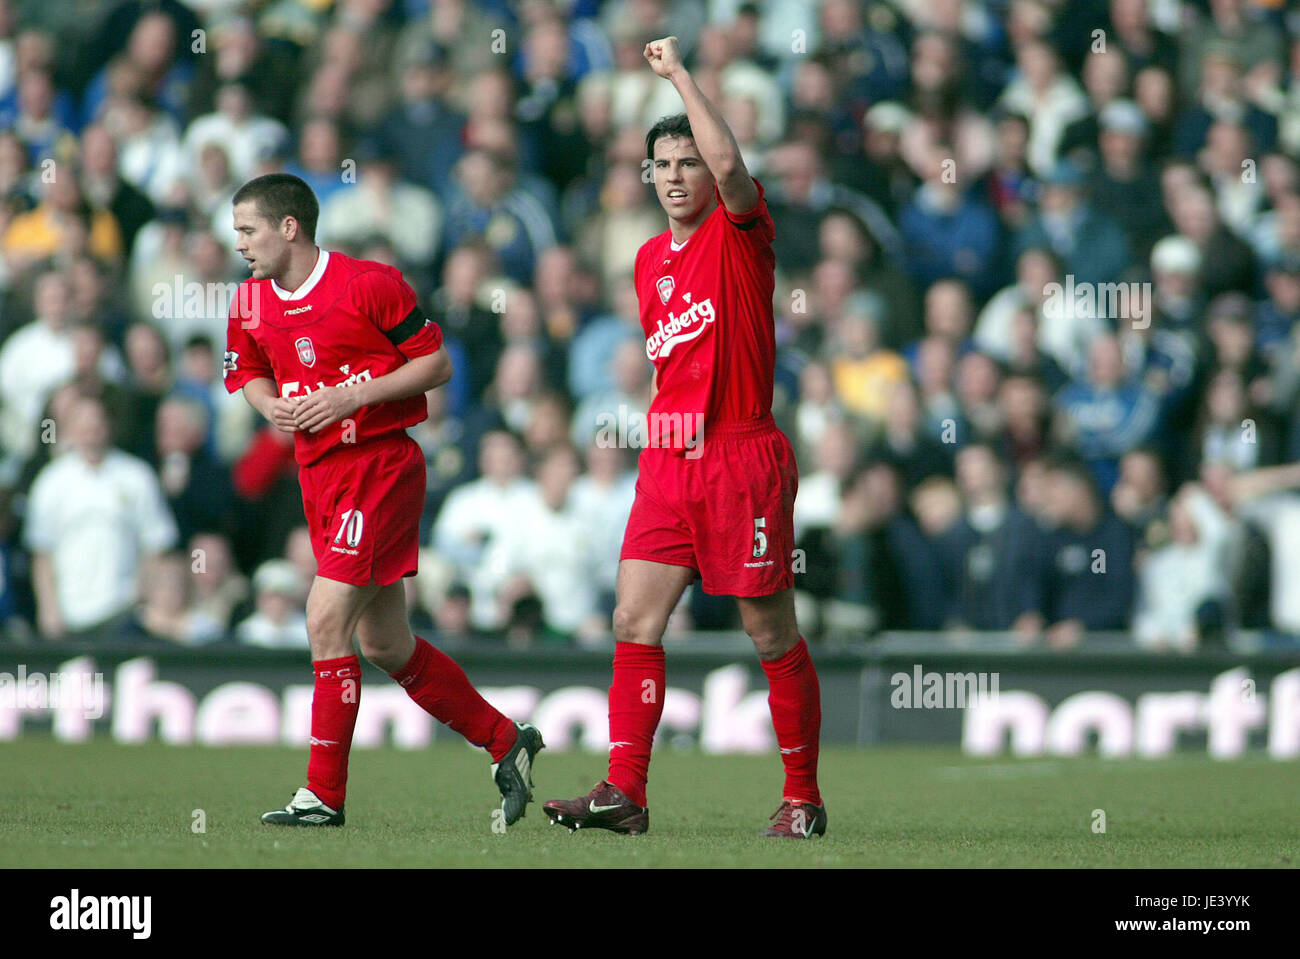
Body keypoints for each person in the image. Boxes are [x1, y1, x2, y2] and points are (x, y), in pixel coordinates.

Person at [542, 37, 825, 839]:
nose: (673, 175)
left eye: (686, 162)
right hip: (669, 457)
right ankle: (623, 791)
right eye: (660, 164)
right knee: (633, 620)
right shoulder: (643, 262)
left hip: (742, 457)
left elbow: (735, 171)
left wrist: (677, 75)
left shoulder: (740, 233)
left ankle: (802, 796)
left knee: (769, 630)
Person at [222, 172, 542, 828]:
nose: (241, 245)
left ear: (290, 227)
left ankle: (322, 795)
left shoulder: (369, 283)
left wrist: (349, 396)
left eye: (249, 230)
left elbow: (435, 364)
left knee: (322, 617)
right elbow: (247, 368)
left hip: (380, 465)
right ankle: (506, 739)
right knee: (387, 643)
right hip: (319, 475)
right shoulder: (250, 301)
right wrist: (270, 404)